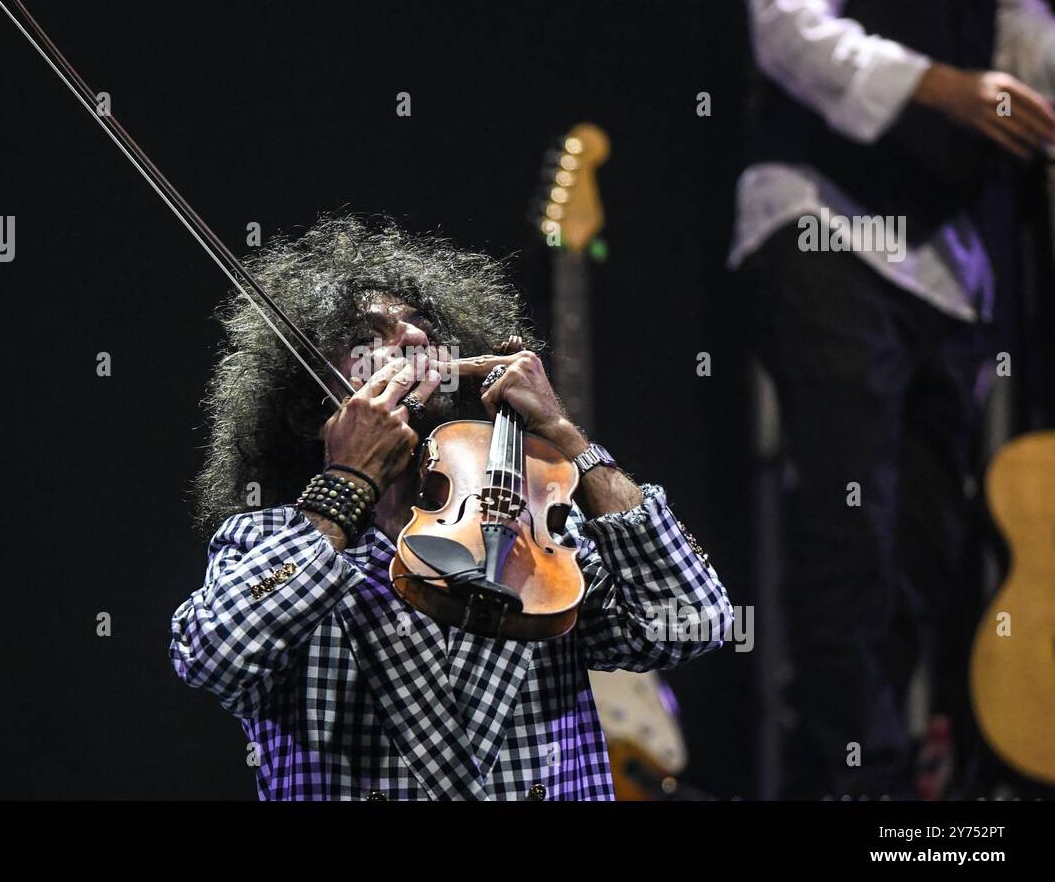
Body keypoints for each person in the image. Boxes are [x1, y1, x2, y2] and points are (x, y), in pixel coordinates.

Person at [169, 214, 732, 800]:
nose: (415, 340)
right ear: (310, 413)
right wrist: (347, 483)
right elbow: (215, 653)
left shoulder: (532, 541)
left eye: (421, 326)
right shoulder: (265, 542)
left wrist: (567, 437)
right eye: (371, 334)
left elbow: (694, 621)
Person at [734, 0, 1055, 798]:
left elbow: (1025, 43)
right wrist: (946, 89)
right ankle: (849, 785)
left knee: (929, 556)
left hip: (941, 265)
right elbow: (785, 22)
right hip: (824, 219)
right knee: (851, 535)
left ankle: (903, 781)